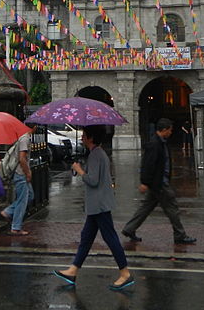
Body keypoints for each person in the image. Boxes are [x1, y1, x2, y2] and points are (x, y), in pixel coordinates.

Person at [53, 125, 134, 291]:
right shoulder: (97, 153)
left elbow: (93, 180)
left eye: (84, 135)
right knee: (86, 238)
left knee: (110, 238)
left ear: (90, 138)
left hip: (99, 204)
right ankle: (73, 270)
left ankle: (125, 273)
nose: (82, 137)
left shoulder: (96, 154)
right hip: (97, 204)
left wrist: (79, 170)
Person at [121, 117, 196, 244]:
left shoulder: (161, 142)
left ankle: (129, 228)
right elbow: (147, 164)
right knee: (172, 208)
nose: (171, 133)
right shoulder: (155, 144)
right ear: (164, 130)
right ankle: (180, 235)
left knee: (146, 207)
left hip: (157, 183)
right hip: (160, 184)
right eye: (170, 130)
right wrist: (145, 182)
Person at [1, 125, 35, 235]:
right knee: (22, 200)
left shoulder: (22, 137)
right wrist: (28, 172)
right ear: (33, 127)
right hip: (21, 173)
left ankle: (9, 211)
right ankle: (16, 227)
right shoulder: (25, 139)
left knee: (30, 196)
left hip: (20, 173)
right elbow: (22, 158)